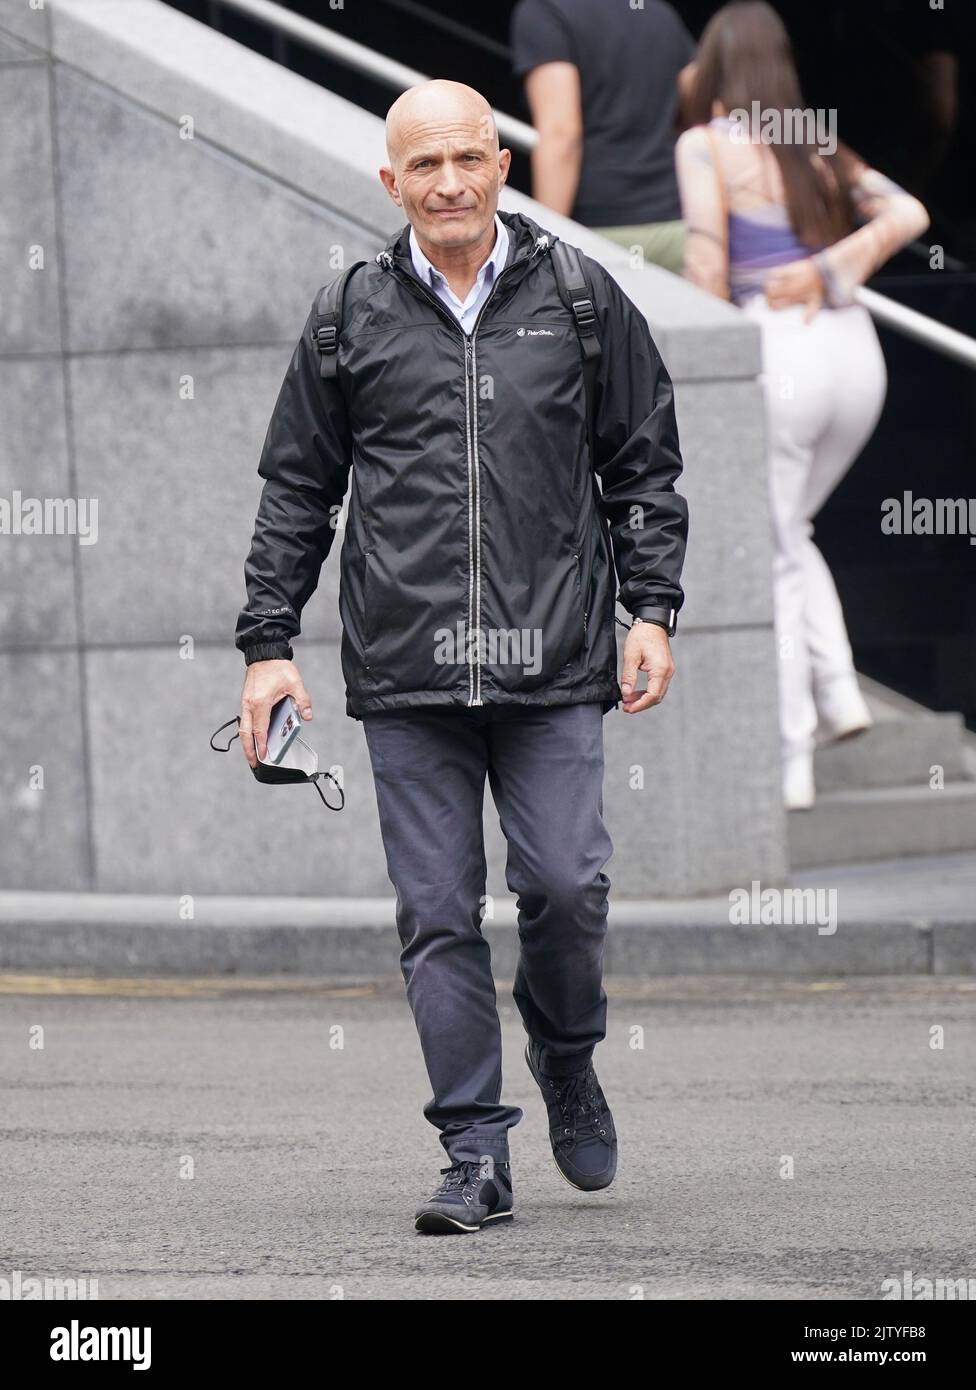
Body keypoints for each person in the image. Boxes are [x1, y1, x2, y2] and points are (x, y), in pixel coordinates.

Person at [235, 81, 688, 1233]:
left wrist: (652, 610)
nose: (447, 182)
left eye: (467, 159)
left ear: (502, 166)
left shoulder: (582, 298)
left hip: (554, 664)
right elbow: (298, 489)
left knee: (565, 887)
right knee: (437, 912)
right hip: (408, 673)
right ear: (390, 183)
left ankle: (568, 1053)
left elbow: (641, 466)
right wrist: (267, 645)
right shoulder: (350, 315)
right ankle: (474, 1152)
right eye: (422, 165)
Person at [675, 0, 928, 810]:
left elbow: (709, 277)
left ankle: (793, 756)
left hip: (780, 348)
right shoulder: (811, 143)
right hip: (856, 354)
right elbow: (910, 213)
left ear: (715, 66)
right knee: (788, 530)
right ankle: (840, 694)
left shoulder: (704, 145)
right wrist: (830, 270)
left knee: (775, 539)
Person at [511, 0, 696, 274]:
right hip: (676, 228)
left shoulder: (544, 11)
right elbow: (697, 104)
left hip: (601, 233)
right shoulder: (658, 12)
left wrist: (544, 244)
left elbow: (562, 133)